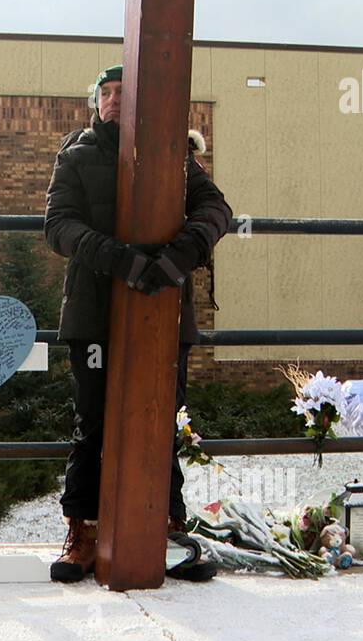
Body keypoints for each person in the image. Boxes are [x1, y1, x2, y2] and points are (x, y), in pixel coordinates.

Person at [44, 65, 233, 582]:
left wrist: (175, 261)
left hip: (163, 313)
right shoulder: (76, 154)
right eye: (104, 93)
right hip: (93, 312)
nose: (111, 100)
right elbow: (57, 227)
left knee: (162, 419)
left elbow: (216, 210)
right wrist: (121, 260)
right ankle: (82, 532)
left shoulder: (176, 155)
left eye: (122, 93)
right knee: (92, 423)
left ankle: (167, 530)